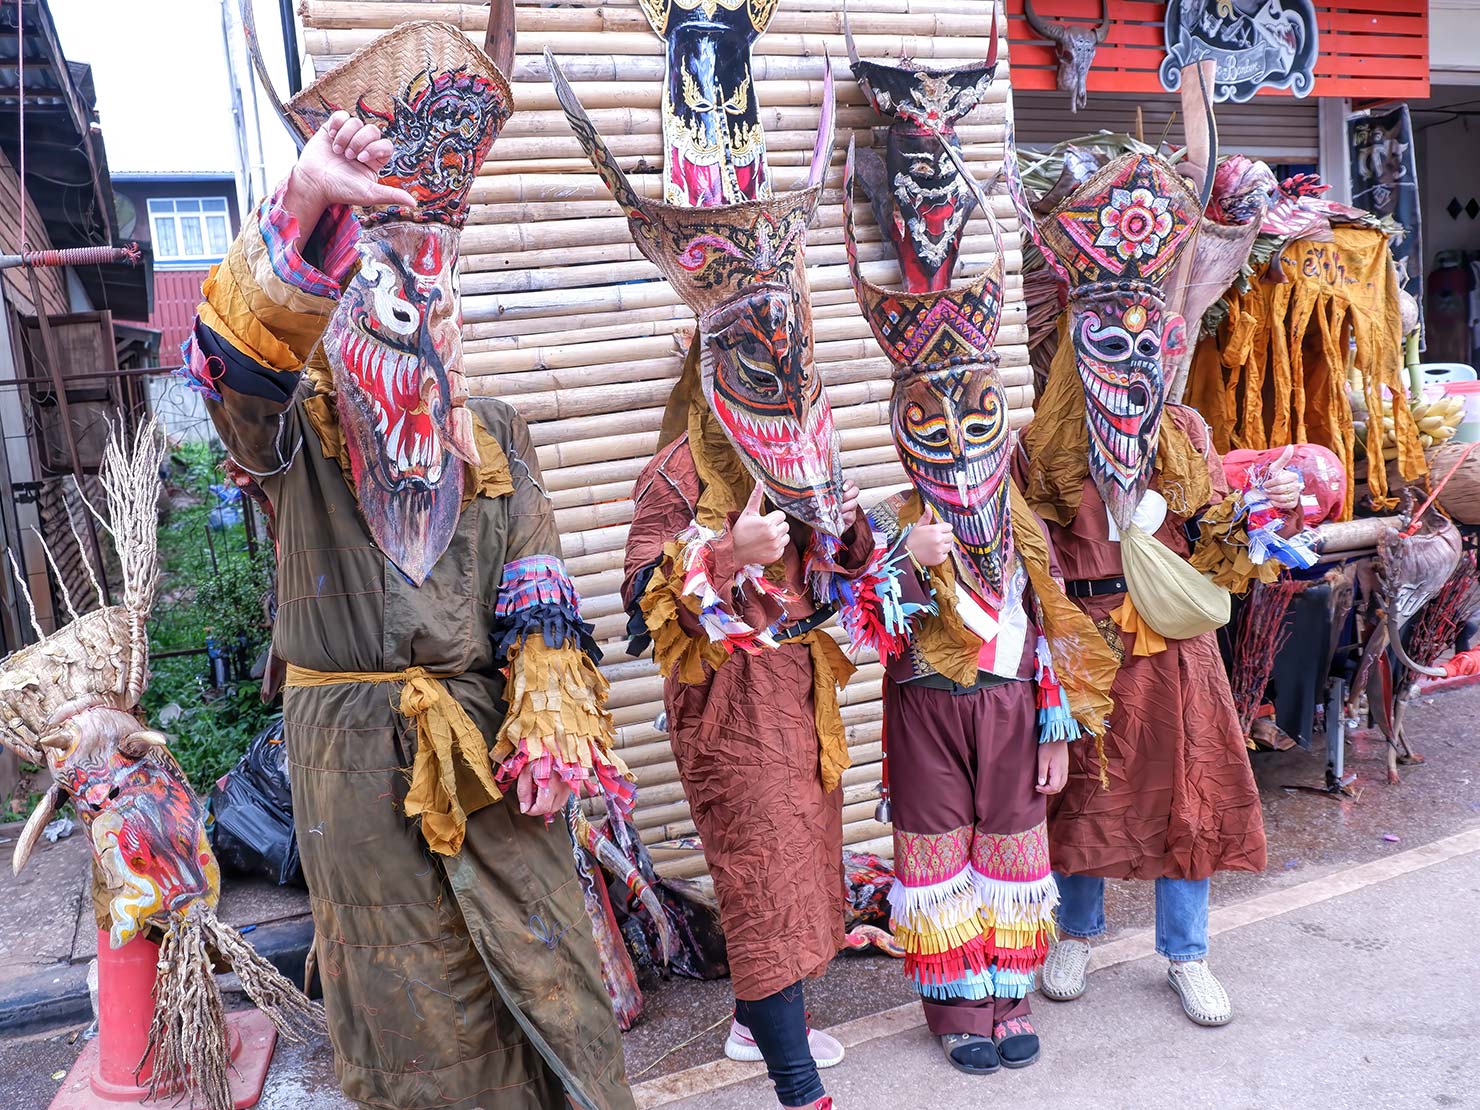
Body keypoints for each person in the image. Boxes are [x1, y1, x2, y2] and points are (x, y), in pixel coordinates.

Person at [182, 22, 635, 1109]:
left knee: (549, 976)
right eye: (385, 239)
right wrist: (303, 199)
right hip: (352, 763)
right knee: (411, 1013)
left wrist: (545, 708)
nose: (415, 279)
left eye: (437, 245)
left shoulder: (494, 431)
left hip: (488, 749)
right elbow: (232, 382)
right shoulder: (297, 425)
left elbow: (539, 582)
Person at [550, 53, 864, 1110]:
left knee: (800, 858)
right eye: (751, 357)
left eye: (788, 351)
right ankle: (795, 1080)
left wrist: (863, 537)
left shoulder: (802, 452)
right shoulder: (675, 471)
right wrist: (721, 557)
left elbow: (848, 553)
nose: (774, 369)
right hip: (727, 706)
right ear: (709, 367)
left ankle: (752, 1023)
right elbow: (645, 588)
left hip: (800, 689)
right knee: (762, 869)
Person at [836, 140, 1116, 1075]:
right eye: (932, 421)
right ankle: (954, 1008)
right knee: (934, 857)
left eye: (976, 416)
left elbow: (1057, 627)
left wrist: (1056, 728)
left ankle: (1006, 997)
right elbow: (856, 627)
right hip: (926, 711)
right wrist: (908, 567)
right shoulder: (888, 520)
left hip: (1012, 712)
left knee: (1010, 847)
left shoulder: (1022, 516)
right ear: (902, 427)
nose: (958, 439)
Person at [1016, 151, 1305, 1026]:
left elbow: (1216, 539)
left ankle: (1186, 954)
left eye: (1149, 345)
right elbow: (1020, 550)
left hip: (1170, 641)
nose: (1130, 364)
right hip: (1078, 637)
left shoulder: (1178, 428)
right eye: (1110, 343)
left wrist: (1260, 509)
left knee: (1188, 789)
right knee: (1080, 793)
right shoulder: (1037, 444)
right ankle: (1078, 932)